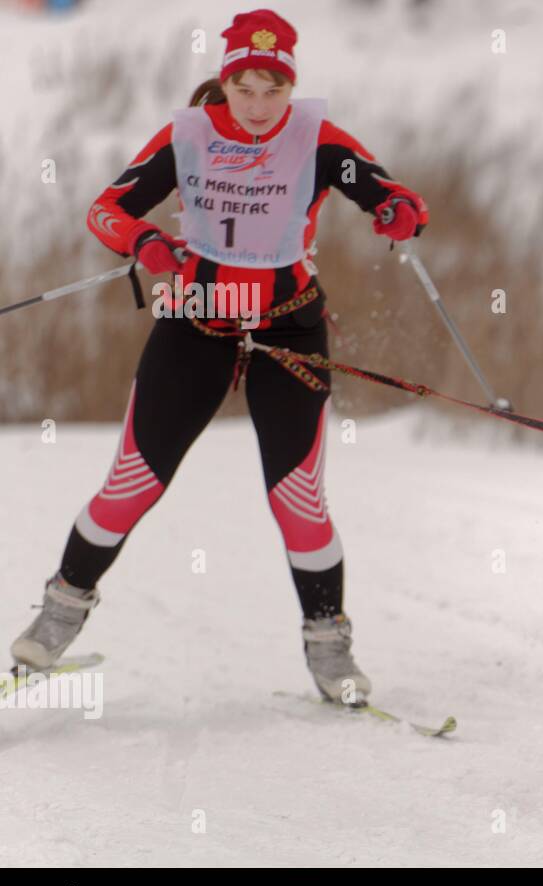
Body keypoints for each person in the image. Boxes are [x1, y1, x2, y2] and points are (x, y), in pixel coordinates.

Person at [11, 8, 429, 705]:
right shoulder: (190, 137)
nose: (260, 106)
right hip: (195, 327)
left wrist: (399, 211)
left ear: (291, 86)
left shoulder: (318, 138)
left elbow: (391, 192)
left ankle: (329, 646)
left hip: (288, 332)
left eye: (274, 89)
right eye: (246, 88)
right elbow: (107, 208)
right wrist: (144, 243)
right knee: (131, 484)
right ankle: (59, 612)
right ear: (225, 82)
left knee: (299, 501)